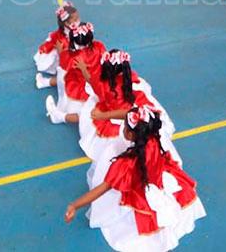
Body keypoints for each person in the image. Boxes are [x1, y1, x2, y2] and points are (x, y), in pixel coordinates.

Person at [64, 106, 206, 252]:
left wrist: (75, 205)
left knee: (141, 236)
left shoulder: (127, 164)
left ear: (131, 135)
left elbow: (103, 188)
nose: (123, 127)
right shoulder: (153, 139)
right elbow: (129, 115)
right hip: (158, 182)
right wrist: (104, 115)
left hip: (141, 195)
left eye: (125, 127)